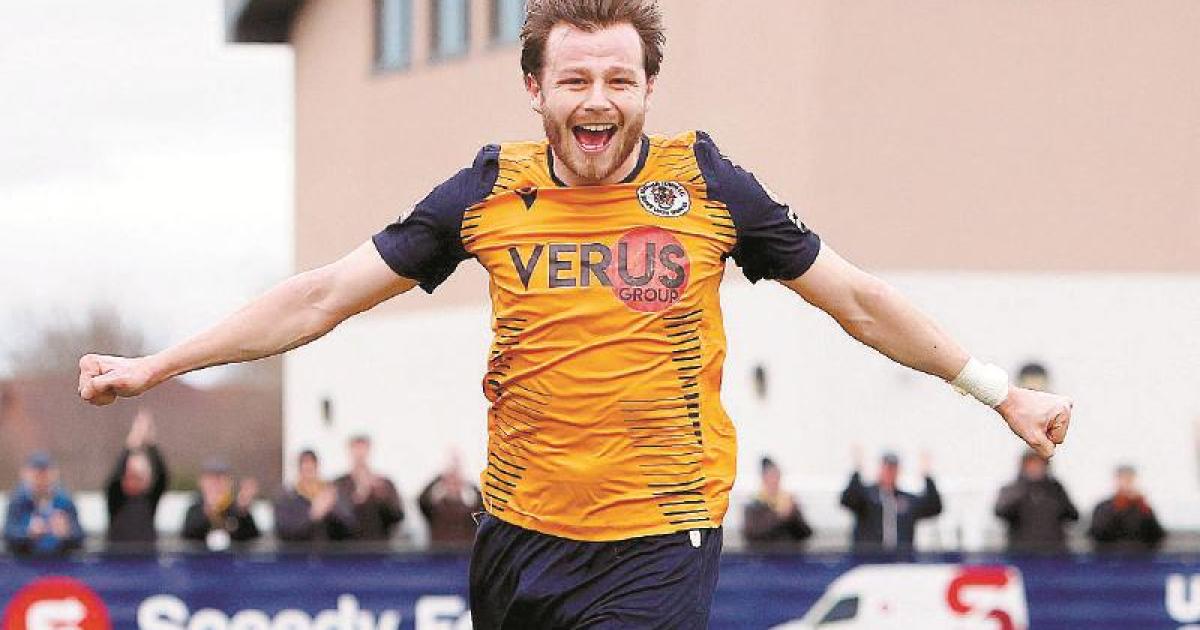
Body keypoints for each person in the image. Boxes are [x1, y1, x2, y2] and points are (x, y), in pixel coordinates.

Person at [76, 0, 1074, 625]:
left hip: (659, 535)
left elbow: (856, 299)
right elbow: (320, 295)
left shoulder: (708, 185)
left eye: (619, 80)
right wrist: (157, 366)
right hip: (518, 536)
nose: (598, 100)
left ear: (648, 88)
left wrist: (998, 392)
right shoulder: (485, 193)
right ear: (536, 89)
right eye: (576, 80)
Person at [840, 450, 942, 552]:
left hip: (901, 557)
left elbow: (934, 506)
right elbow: (848, 499)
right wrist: (857, 471)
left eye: (893, 469)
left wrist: (927, 475)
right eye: (887, 468)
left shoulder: (906, 500)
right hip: (869, 557)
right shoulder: (866, 496)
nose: (889, 473)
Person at [105, 409, 169, 547]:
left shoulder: (149, 501)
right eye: (131, 475)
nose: (135, 479)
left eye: (139, 476)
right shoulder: (116, 500)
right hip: (118, 556)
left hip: (146, 556)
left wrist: (151, 443)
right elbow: (115, 477)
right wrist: (131, 443)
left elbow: (162, 476)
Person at [994, 450, 1079, 553]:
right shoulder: (1012, 489)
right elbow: (1000, 511)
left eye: (1040, 464)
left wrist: (1056, 496)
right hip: (1021, 552)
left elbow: (1073, 515)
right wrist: (1022, 491)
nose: (1036, 468)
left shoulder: (1056, 490)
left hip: (1054, 552)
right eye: (1032, 464)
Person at [3, 452, 84, 555]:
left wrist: (67, 532)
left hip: (59, 560)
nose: (41, 481)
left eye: (45, 476)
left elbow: (79, 535)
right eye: (37, 476)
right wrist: (27, 533)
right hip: (26, 560)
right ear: (26, 475)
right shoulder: (17, 501)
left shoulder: (65, 501)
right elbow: (8, 534)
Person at [274, 449, 357, 544]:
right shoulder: (287, 497)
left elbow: (350, 526)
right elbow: (284, 530)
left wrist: (332, 507)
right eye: (305, 469)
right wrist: (312, 515)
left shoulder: (331, 493)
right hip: (299, 551)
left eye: (311, 469)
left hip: (329, 550)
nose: (308, 474)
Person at [333, 435, 404, 541]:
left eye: (363, 449)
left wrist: (383, 497)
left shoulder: (384, 483)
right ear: (349, 451)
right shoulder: (339, 484)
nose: (360, 454)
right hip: (347, 547)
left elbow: (398, 516)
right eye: (356, 449)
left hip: (378, 545)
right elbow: (335, 521)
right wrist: (360, 495)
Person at [181, 458, 260, 550]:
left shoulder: (237, 510)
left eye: (221, 479)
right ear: (201, 483)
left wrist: (242, 512)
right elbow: (189, 536)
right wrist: (209, 510)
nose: (216, 485)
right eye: (211, 480)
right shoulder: (194, 510)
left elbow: (252, 539)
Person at [1087, 464, 1165, 553]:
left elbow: (1158, 535)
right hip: (1110, 556)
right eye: (1124, 479)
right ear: (1117, 481)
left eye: (1130, 479)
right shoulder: (1103, 507)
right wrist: (1118, 509)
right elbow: (1097, 533)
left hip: (1139, 556)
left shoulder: (1142, 507)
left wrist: (1146, 513)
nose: (1127, 483)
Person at [742, 457, 812, 549]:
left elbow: (806, 533)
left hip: (789, 553)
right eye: (771, 477)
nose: (774, 481)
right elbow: (751, 534)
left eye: (776, 477)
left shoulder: (789, 503)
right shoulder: (753, 505)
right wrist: (779, 516)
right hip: (763, 554)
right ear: (764, 479)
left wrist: (793, 515)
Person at [418, 452, 484, 549]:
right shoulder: (435, 510)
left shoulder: (470, 513)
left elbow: (484, 504)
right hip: (439, 555)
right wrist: (441, 476)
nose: (453, 485)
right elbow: (422, 499)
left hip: (463, 555)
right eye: (450, 482)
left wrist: (467, 481)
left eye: (456, 482)